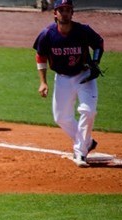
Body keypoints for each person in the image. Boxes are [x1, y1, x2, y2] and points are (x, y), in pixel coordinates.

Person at [33, 0, 104, 167]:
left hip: (84, 76)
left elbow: (99, 43)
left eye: (68, 10)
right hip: (62, 78)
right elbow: (40, 56)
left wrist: (95, 61)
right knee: (61, 117)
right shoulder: (47, 34)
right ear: (55, 13)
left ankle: (80, 153)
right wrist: (43, 82)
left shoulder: (83, 31)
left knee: (88, 110)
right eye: (61, 10)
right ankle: (88, 141)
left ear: (72, 13)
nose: (64, 13)